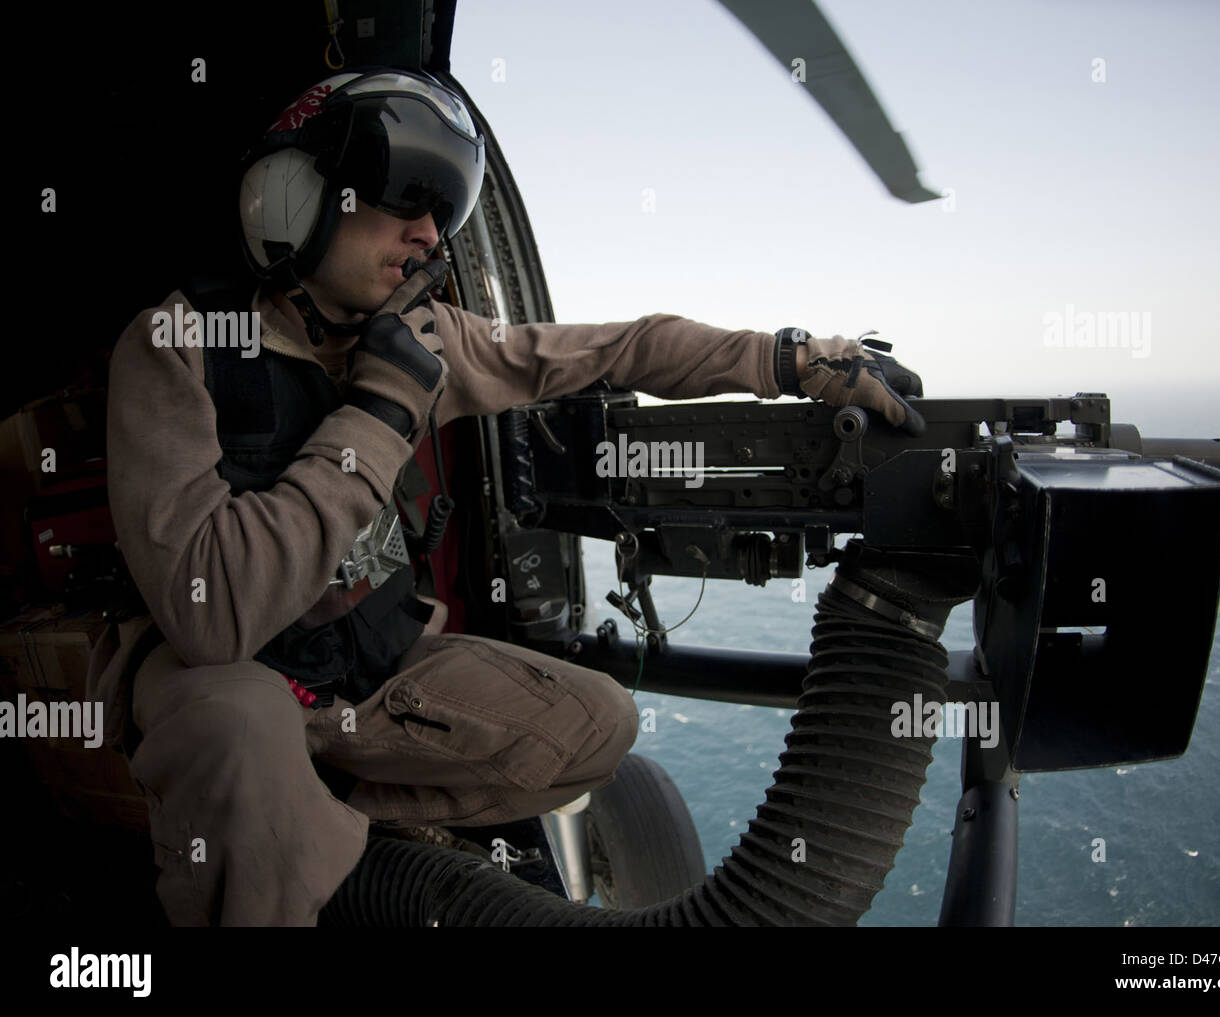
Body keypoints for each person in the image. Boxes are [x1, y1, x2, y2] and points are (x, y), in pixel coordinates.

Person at [88, 67, 926, 926]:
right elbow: (209, 613)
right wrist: (380, 409)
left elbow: (614, 351)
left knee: (599, 720)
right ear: (295, 199)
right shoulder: (180, 343)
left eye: (442, 213)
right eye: (406, 196)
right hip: (237, 679)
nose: (427, 233)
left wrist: (783, 360)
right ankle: (287, 834)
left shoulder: (424, 339)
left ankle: (316, 823)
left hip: (365, 669)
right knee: (239, 731)